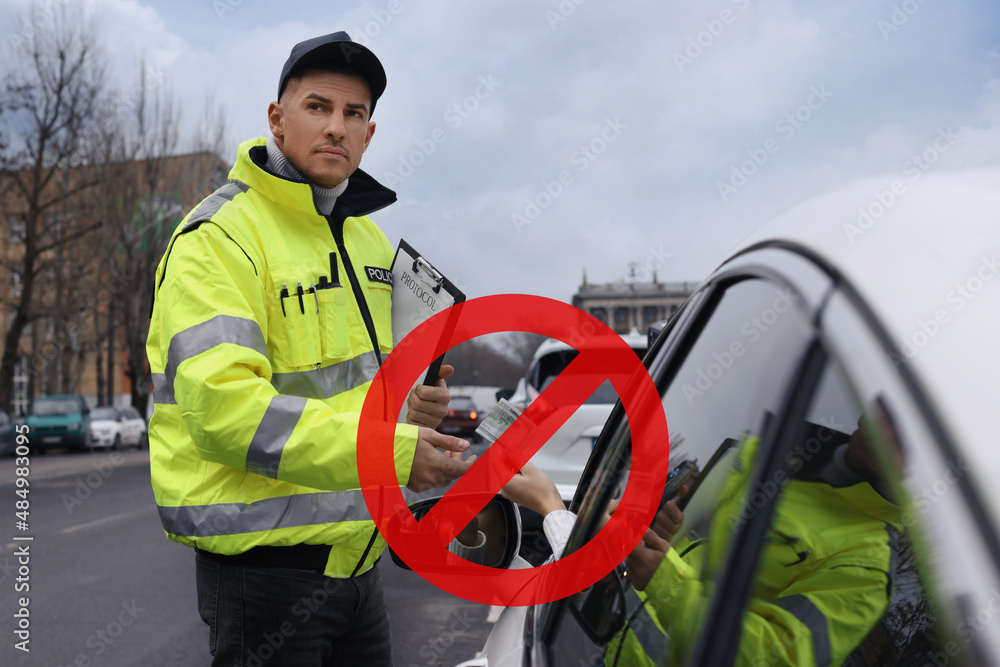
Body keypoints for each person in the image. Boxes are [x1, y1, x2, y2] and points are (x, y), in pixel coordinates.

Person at [146, 31, 476, 666]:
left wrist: (412, 410)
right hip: (266, 574)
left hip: (359, 565)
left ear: (369, 134)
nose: (336, 127)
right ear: (277, 118)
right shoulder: (217, 239)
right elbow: (226, 414)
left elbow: (362, 394)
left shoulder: (369, 240)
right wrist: (394, 451)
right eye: (318, 107)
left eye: (353, 114)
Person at [502, 410, 903, 667]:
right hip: (596, 644)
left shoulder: (867, 561)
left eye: (906, 431)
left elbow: (772, 657)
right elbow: (701, 548)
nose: (890, 432)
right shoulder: (763, 452)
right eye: (889, 413)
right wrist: (664, 534)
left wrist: (552, 507)